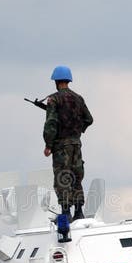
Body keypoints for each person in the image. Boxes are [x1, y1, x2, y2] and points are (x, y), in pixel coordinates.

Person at [43, 66, 93, 221]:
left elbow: (51, 123)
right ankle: (79, 211)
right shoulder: (79, 98)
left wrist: (48, 144)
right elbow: (89, 119)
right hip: (76, 146)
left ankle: (66, 212)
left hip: (60, 147)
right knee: (77, 177)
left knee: (63, 177)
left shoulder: (54, 99)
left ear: (56, 81)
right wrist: (78, 130)